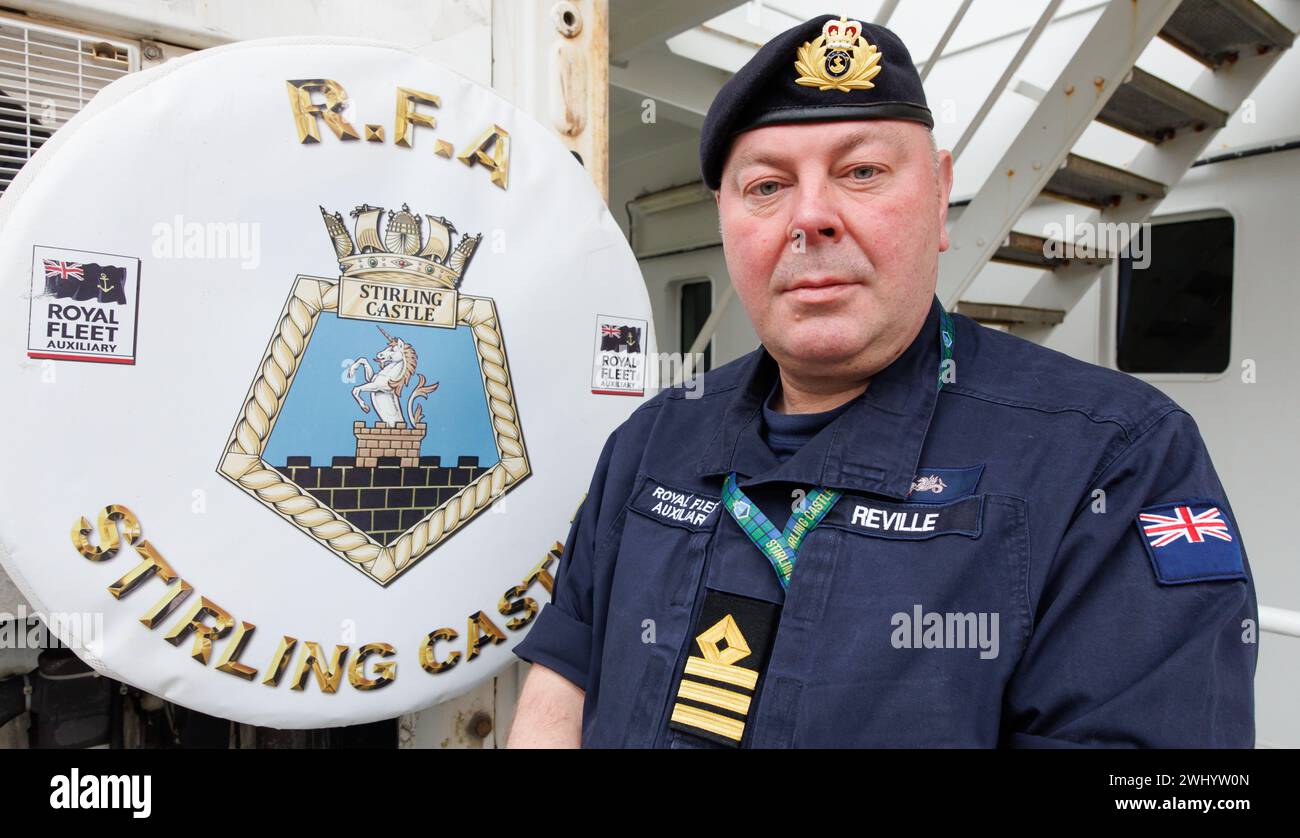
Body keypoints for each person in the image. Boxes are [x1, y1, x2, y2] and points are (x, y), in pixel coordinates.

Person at [508, 14, 1256, 748]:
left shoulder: (1119, 462)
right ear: (726, 221)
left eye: (861, 172)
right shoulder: (652, 438)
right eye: (766, 187)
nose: (810, 217)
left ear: (938, 196)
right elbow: (562, 672)